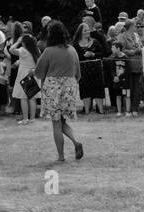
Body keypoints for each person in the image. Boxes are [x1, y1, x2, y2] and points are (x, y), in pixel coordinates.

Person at [34, 21, 84, 163]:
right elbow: (78, 74)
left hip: (53, 88)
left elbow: (39, 73)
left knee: (56, 123)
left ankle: (61, 156)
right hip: (69, 86)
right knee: (62, 122)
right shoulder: (72, 50)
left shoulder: (48, 51)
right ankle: (76, 141)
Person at [10, 33, 39, 124]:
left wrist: (17, 41)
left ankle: (25, 118)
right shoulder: (36, 50)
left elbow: (11, 49)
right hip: (33, 74)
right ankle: (32, 118)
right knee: (32, 98)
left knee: (23, 98)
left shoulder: (23, 50)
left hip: (24, 74)